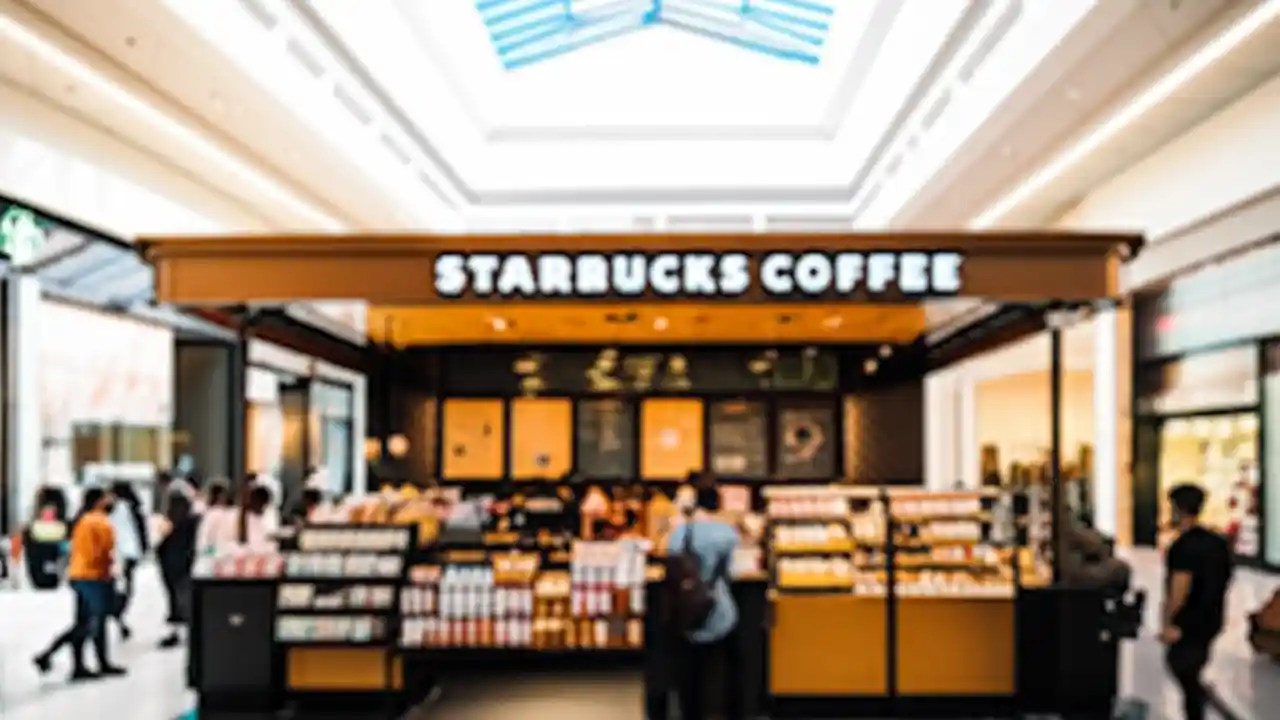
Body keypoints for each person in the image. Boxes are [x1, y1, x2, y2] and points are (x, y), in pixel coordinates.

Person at [665, 481, 741, 720]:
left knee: (689, 669)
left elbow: (672, 564)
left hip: (686, 609)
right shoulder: (727, 533)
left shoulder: (679, 533)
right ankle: (718, 710)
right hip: (719, 609)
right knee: (718, 666)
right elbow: (732, 572)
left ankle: (690, 711)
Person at [33, 487, 126, 680]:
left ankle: (79, 665)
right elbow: (104, 553)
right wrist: (110, 575)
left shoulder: (83, 520)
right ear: (99, 501)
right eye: (107, 497)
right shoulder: (101, 522)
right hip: (94, 577)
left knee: (85, 622)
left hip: (78, 575)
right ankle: (53, 655)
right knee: (92, 623)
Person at [1162, 483, 1233, 720]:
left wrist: (1169, 621)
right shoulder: (1218, 543)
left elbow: (1179, 588)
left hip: (1188, 620)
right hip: (1212, 616)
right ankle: (1203, 702)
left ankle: (1204, 705)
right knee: (1190, 668)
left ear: (1176, 508)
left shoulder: (1182, 547)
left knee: (1181, 666)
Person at [157, 491, 200, 648]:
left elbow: (162, 545)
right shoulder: (193, 521)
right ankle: (188, 632)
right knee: (185, 599)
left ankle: (177, 633)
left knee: (175, 600)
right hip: (186, 565)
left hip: (172, 566)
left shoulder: (171, 523)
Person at [108, 480, 149, 639]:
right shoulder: (134, 508)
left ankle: (115, 613)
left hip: (114, 552)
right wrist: (143, 549)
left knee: (115, 585)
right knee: (127, 587)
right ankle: (118, 614)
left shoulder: (112, 508)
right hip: (130, 553)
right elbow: (141, 531)